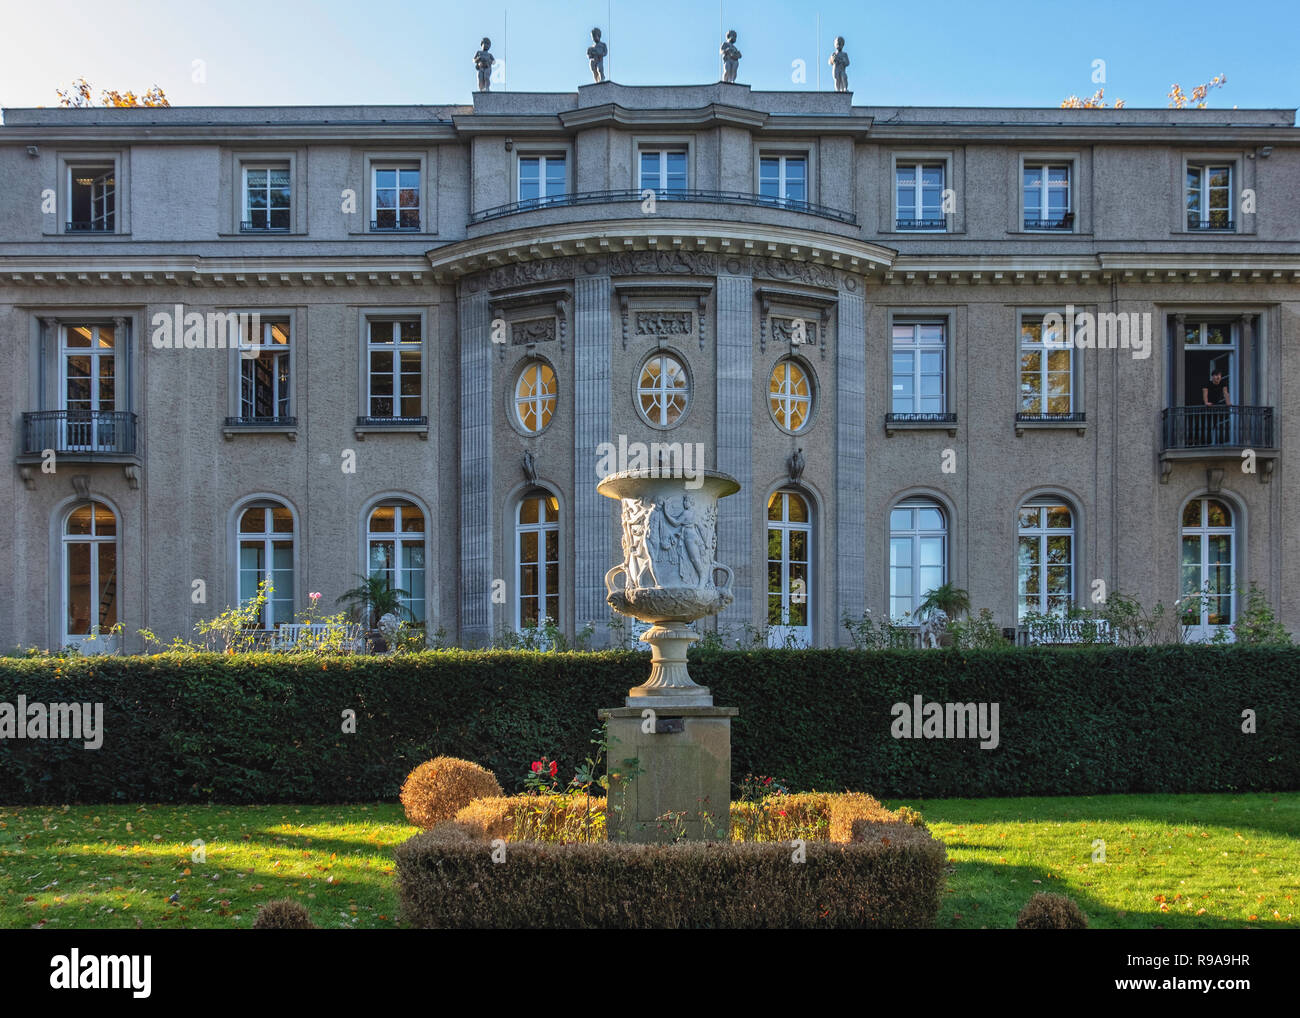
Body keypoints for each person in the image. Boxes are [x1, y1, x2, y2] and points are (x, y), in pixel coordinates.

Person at [1202, 367, 1231, 445]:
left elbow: (1225, 393)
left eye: (1219, 375)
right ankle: (1207, 442)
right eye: (1216, 375)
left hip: (1217, 404)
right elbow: (1205, 393)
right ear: (1212, 377)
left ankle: (1220, 441)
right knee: (1208, 424)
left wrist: (1228, 403)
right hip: (1209, 405)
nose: (1218, 377)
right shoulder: (1207, 383)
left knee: (1217, 423)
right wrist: (1206, 402)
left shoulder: (1223, 383)